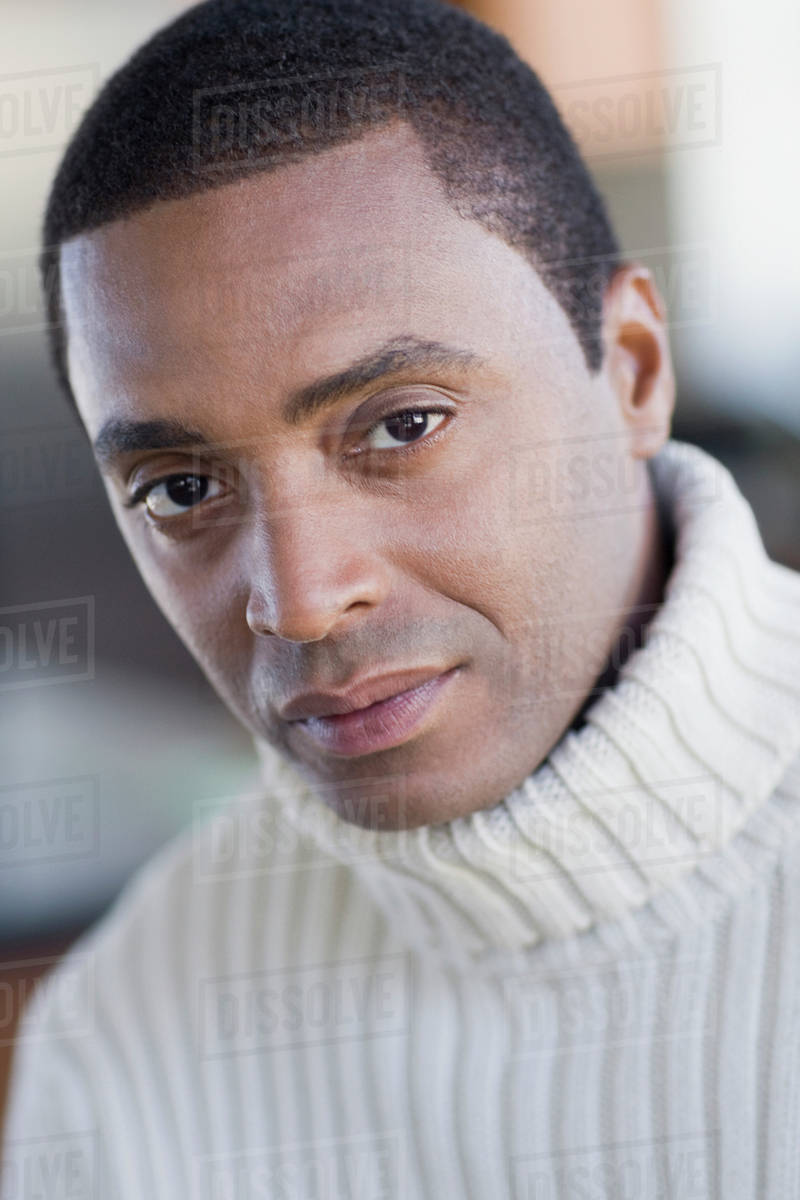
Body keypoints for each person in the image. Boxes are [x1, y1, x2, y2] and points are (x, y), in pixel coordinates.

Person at [4, 0, 800, 1195]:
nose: (304, 599)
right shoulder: (128, 1042)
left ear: (630, 368)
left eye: (401, 424)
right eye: (177, 488)